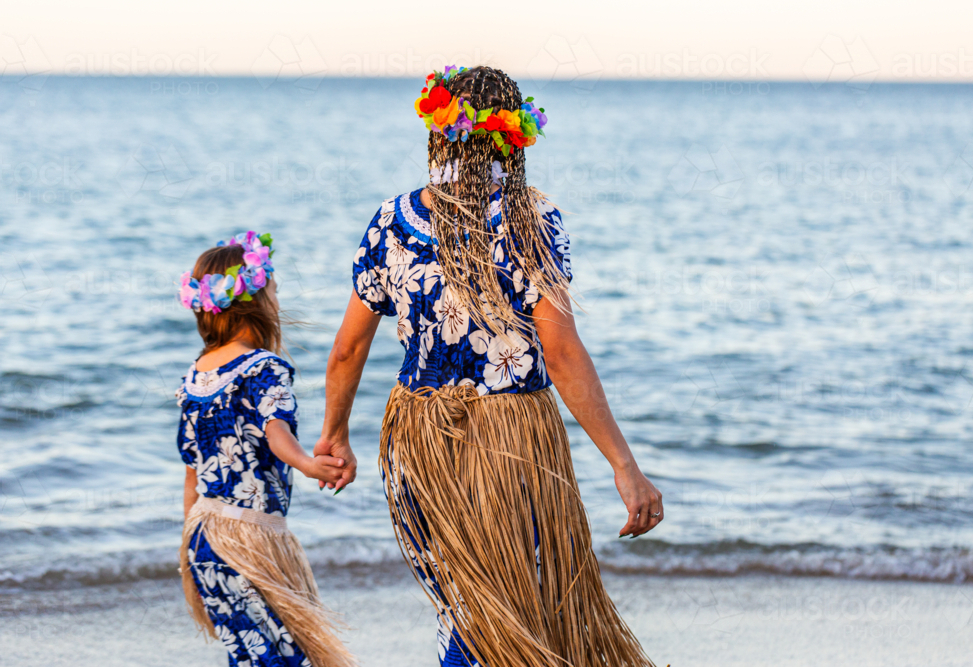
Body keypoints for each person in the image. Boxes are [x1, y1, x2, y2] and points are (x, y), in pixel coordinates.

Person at [314, 66, 663, 666]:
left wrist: (335, 434)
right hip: (509, 439)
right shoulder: (529, 218)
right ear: (513, 136)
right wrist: (624, 464)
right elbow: (560, 349)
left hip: (418, 438)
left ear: (439, 130)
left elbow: (348, 348)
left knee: (471, 604)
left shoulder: (391, 220)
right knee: (505, 612)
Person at [175, 232, 355, 667]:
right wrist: (313, 466)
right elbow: (278, 435)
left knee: (250, 655)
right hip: (249, 540)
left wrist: (187, 551)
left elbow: (191, 472)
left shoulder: (196, 376)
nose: (277, 300)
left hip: (204, 537)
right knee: (284, 658)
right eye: (273, 291)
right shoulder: (265, 368)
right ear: (254, 302)